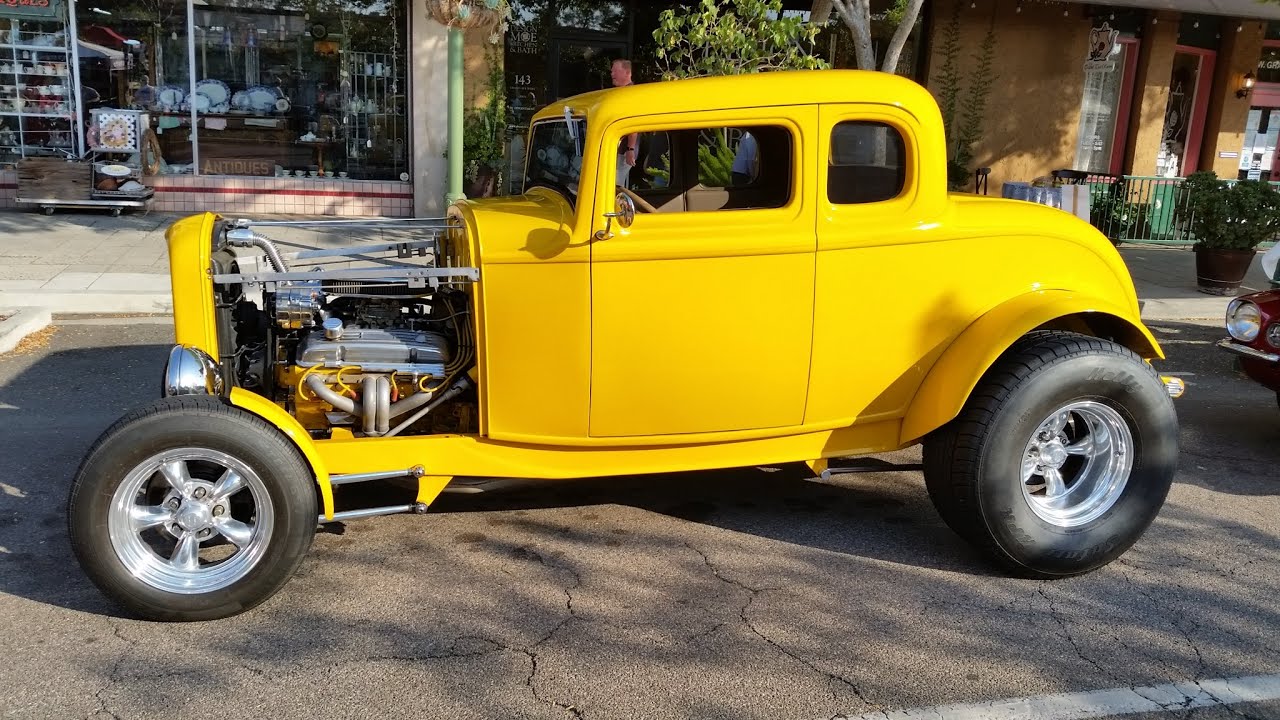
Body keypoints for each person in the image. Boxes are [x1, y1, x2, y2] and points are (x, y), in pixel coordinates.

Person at [611, 58, 639, 188]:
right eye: (612, 71)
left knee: (616, 184)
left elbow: (633, 122)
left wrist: (630, 149)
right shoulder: (621, 93)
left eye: (616, 71)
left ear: (627, 73)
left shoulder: (631, 94)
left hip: (626, 149)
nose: (612, 74)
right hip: (621, 149)